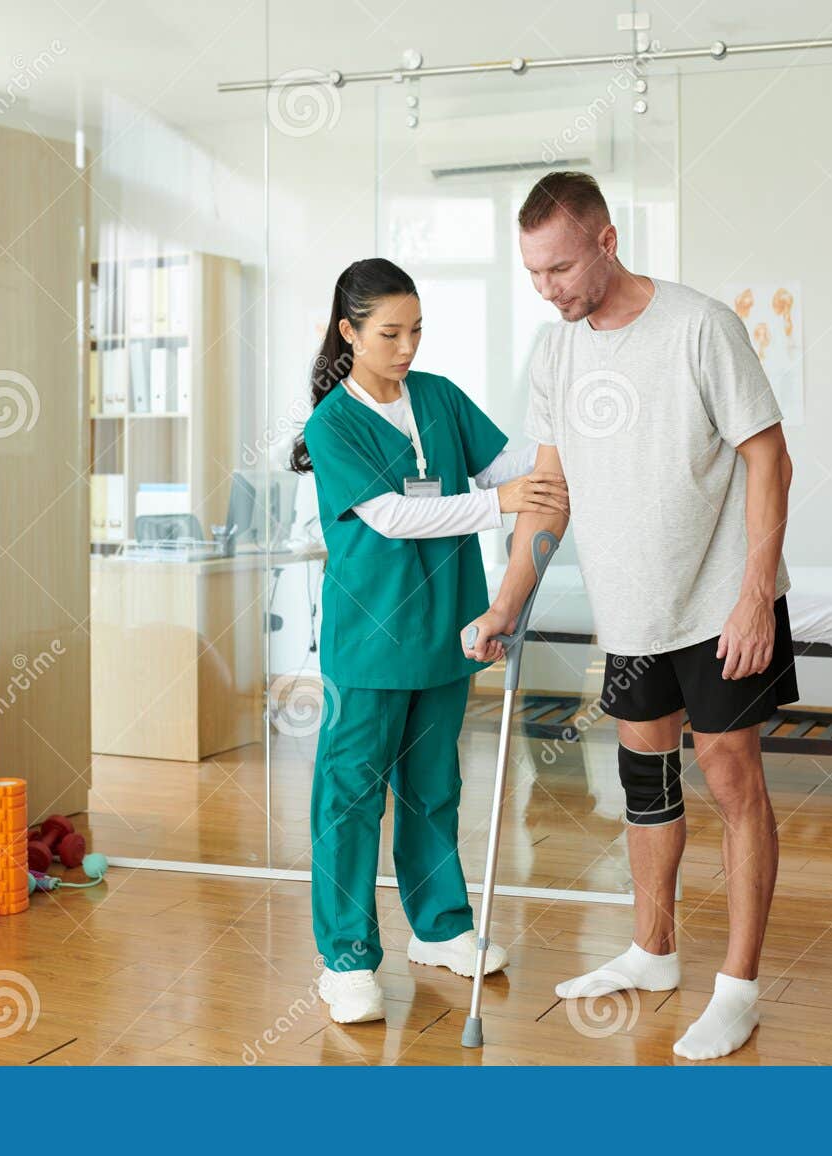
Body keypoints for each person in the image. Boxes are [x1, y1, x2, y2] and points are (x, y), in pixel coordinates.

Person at [464, 172, 797, 1060]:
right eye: (533, 274)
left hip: (722, 600)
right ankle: (653, 951)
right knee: (646, 786)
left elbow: (769, 459)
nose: (549, 289)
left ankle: (739, 988)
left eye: (561, 268)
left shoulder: (699, 325)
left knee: (733, 783)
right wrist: (504, 605)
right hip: (633, 611)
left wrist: (756, 592)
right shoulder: (555, 351)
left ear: (607, 242)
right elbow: (549, 493)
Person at [294, 258, 570, 1024]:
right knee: (350, 799)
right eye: (389, 333)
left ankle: (440, 927)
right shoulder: (334, 422)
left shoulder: (440, 398)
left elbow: (512, 463)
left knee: (433, 785)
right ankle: (345, 958)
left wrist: (561, 428)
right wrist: (496, 502)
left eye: (416, 330)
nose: (407, 346)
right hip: (372, 641)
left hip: (449, 629)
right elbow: (391, 515)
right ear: (349, 333)